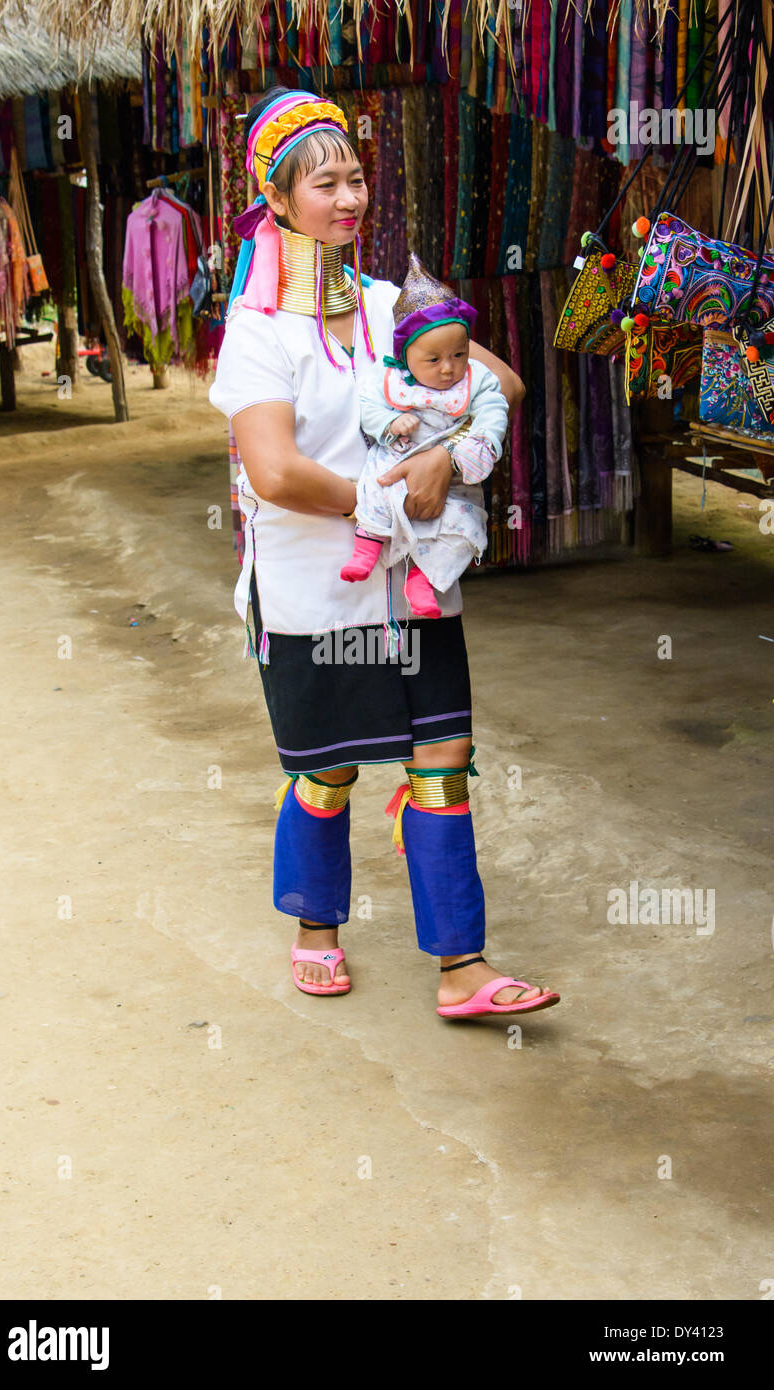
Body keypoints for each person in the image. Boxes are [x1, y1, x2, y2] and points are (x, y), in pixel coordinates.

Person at [209, 86, 560, 1020]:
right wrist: (386, 492)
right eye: (324, 183)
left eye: (357, 177)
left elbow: (507, 385)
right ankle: (317, 929)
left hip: (413, 587)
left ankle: (462, 970)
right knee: (325, 774)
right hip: (312, 592)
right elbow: (276, 473)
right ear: (277, 202)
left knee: (442, 766)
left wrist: (445, 447)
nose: (350, 197)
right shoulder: (256, 333)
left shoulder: (388, 305)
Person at [341, 251, 509, 619]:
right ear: (404, 356)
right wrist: (388, 423)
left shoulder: (475, 378)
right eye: (433, 360)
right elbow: (368, 404)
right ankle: (367, 546)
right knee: (375, 486)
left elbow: (497, 404)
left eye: (459, 354)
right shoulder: (391, 380)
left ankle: (423, 578)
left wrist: (478, 441)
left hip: (454, 474)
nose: (449, 369)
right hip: (396, 458)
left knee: (461, 524)